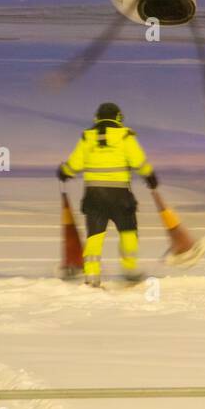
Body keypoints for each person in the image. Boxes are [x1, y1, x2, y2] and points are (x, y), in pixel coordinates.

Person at [57, 102, 158, 288]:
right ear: (118, 118)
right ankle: (129, 270)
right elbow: (139, 162)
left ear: (97, 118)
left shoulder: (88, 138)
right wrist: (150, 176)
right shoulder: (125, 136)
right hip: (120, 196)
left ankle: (92, 277)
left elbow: (74, 165)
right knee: (128, 233)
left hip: (94, 196)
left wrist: (64, 171)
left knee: (94, 237)